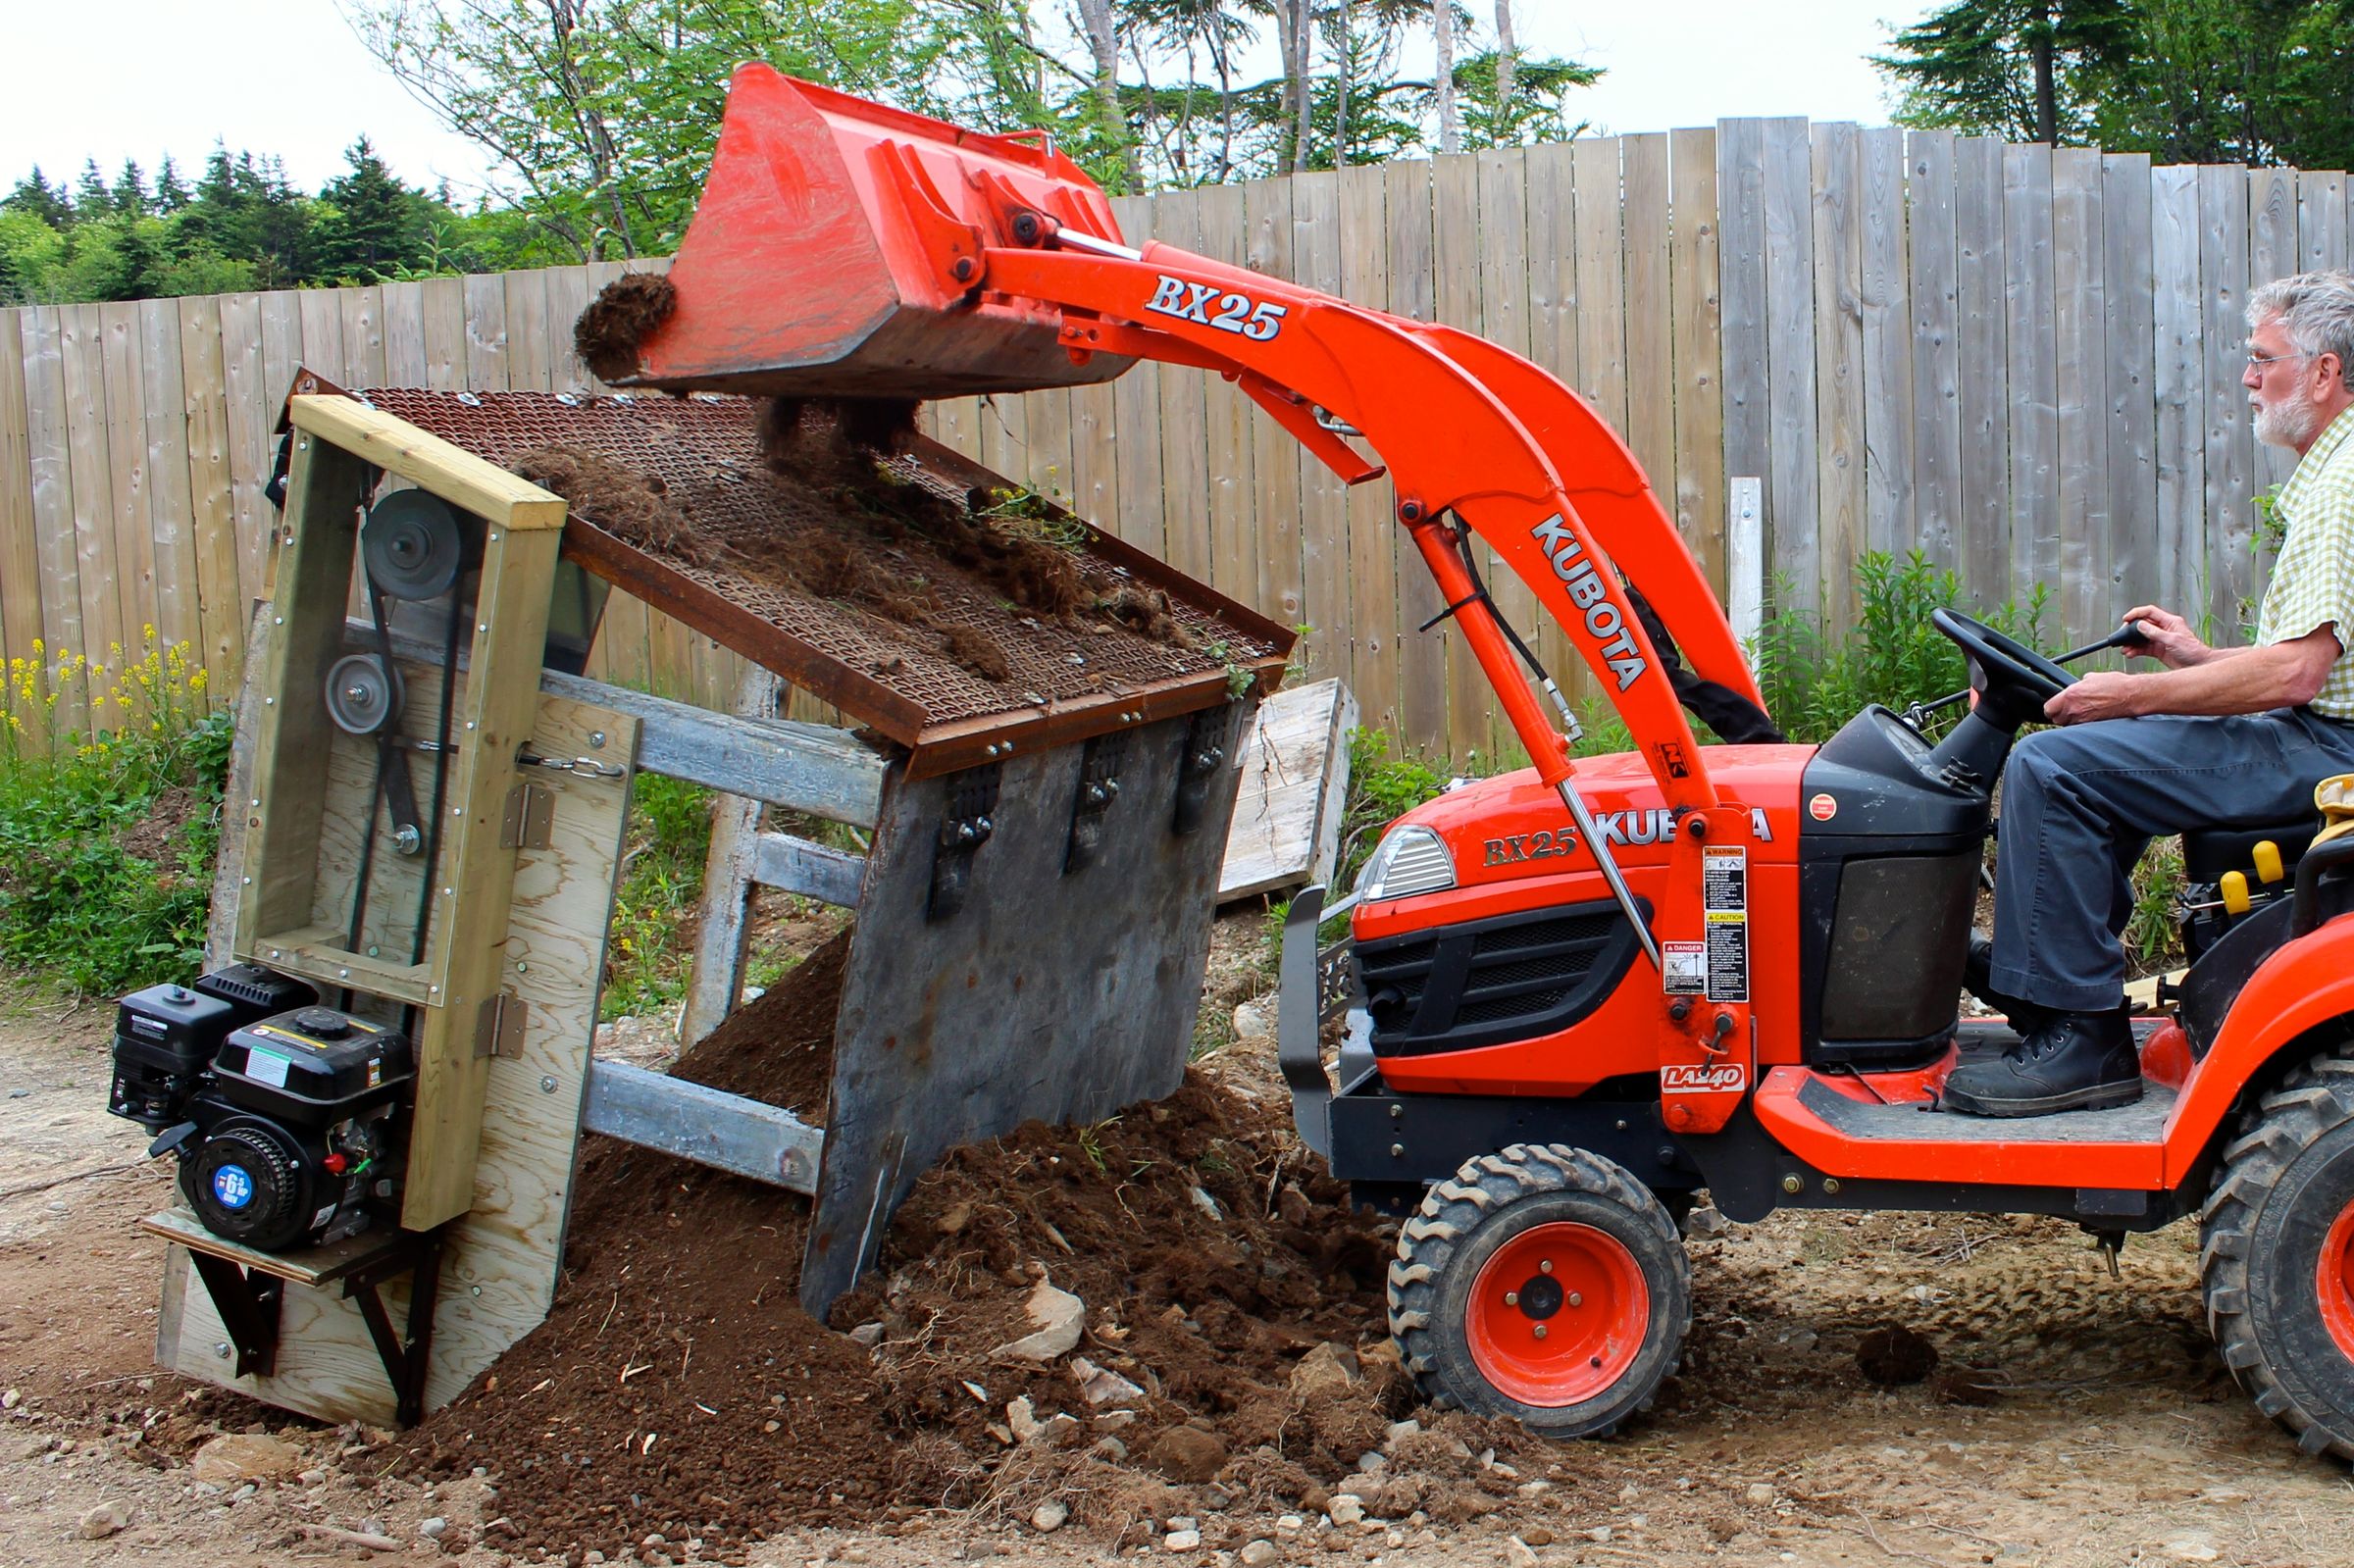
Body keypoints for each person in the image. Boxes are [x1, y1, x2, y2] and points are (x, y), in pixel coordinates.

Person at [1944, 269, 2354, 1117]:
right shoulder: (2330, 469)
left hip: (2327, 745)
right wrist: (2198, 658)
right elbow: (2315, 657)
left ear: (2323, 374)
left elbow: (2298, 674)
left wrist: (2133, 696)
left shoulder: (2344, 482)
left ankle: (2079, 1036)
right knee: (2089, 763)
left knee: (2058, 768)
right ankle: (2050, 983)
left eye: (2262, 359)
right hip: (2318, 727)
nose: (2248, 376)